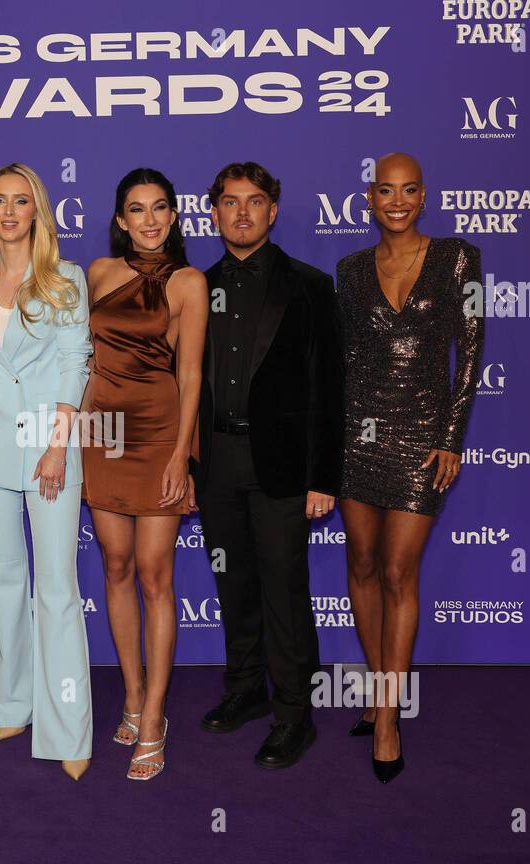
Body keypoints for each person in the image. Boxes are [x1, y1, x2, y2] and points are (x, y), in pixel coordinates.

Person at [335, 152, 484, 783]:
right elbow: (344, 362)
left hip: (423, 439)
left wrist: (450, 438)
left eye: (409, 190)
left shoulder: (459, 257)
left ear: (423, 197)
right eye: (385, 191)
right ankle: (378, 686)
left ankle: (390, 716)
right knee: (362, 566)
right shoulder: (349, 271)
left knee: (399, 570)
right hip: (356, 439)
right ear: (369, 198)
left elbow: (471, 349)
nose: (397, 201)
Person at [193, 162, 344, 771]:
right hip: (216, 462)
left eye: (255, 202)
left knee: (285, 589)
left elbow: (328, 388)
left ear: (273, 210)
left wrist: (322, 477)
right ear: (215, 213)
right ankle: (246, 688)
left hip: (281, 464)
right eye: (231, 203)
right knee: (235, 584)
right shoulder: (196, 286)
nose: (243, 213)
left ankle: (293, 716)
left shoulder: (308, 285)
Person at [0, 163, 94, 781]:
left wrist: (57, 444)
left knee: (58, 589)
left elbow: (76, 363)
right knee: (5, 580)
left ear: (38, 210)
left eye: (21, 201)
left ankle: (68, 724)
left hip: (49, 448)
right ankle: (10, 701)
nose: (10, 211)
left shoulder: (66, 278)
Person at [82, 168, 207, 781]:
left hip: (159, 430)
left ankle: (154, 716)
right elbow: (76, 355)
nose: (150, 220)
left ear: (175, 217)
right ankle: (131, 694)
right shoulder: (97, 275)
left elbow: (190, 376)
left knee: (157, 575)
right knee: (115, 566)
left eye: (160, 208)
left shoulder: (189, 281)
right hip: (100, 429)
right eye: (137, 210)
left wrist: (181, 455)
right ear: (120, 219)